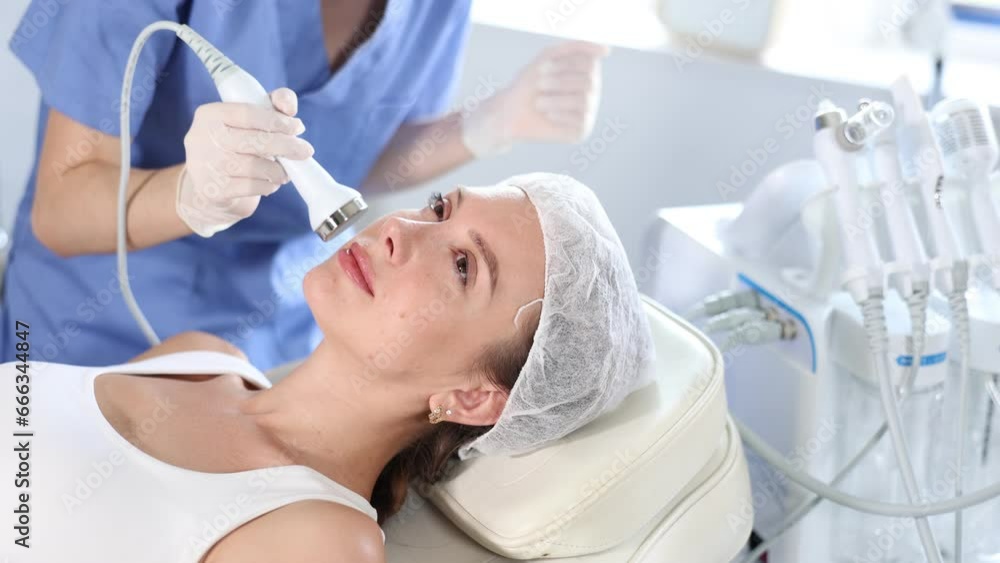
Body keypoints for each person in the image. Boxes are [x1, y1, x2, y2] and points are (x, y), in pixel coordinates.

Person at [2, 173, 655, 563]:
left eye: (463, 266)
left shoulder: (319, 542)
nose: (399, 229)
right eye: (438, 208)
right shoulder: (199, 359)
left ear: (473, 397)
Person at [1, 0, 608, 371]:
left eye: (464, 264)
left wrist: (489, 123)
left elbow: (352, 151)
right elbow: (62, 207)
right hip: (90, 328)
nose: (395, 232)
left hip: (282, 329)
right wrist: (191, 196)